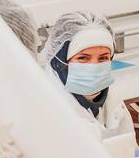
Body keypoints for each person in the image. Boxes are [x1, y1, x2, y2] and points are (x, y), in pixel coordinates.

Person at [39, 11, 133, 141]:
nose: (94, 66)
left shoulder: (112, 100)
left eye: (103, 58)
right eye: (83, 58)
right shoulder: (45, 109)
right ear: (60, 62)